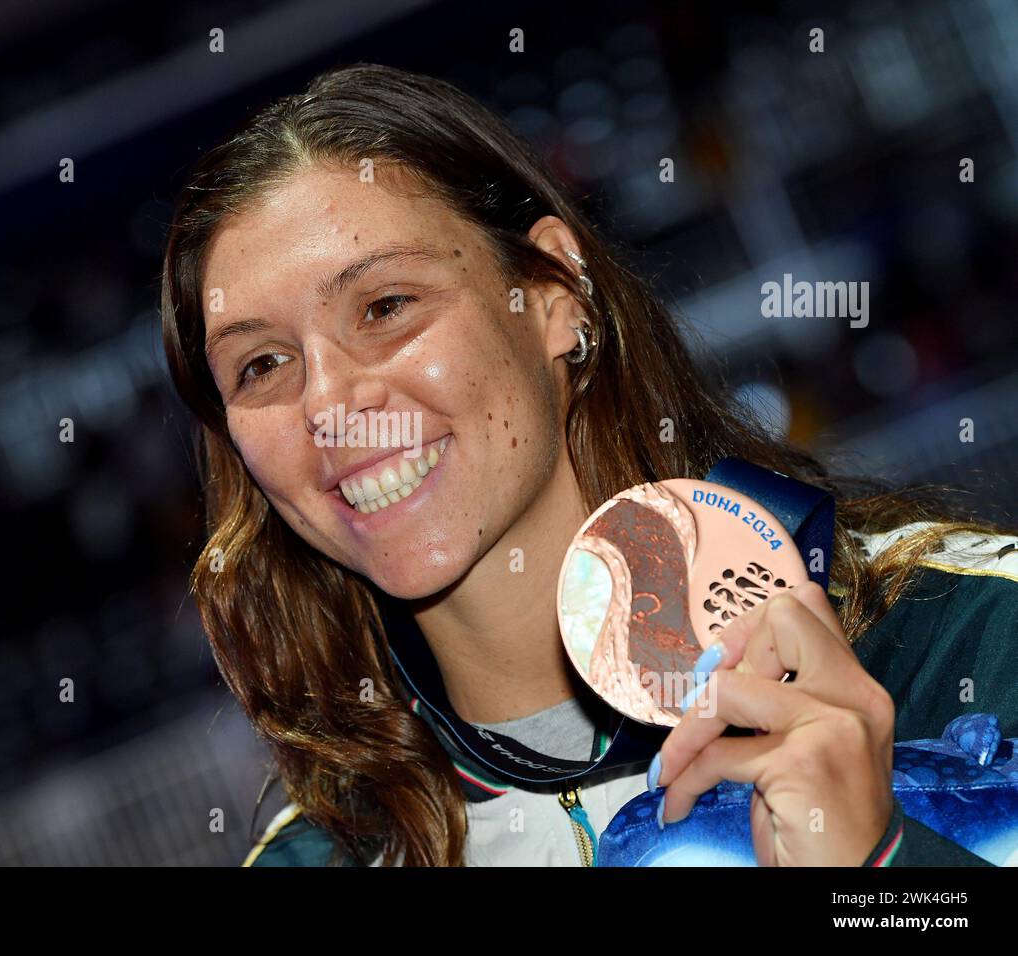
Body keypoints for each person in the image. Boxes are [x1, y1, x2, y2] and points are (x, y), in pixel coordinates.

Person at [158, 63, 1018, 866]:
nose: (329, 406)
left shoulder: (967, 631)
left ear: (556, 296)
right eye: (262, 365)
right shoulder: (324, 855)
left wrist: (883, 865)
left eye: (385, 306)